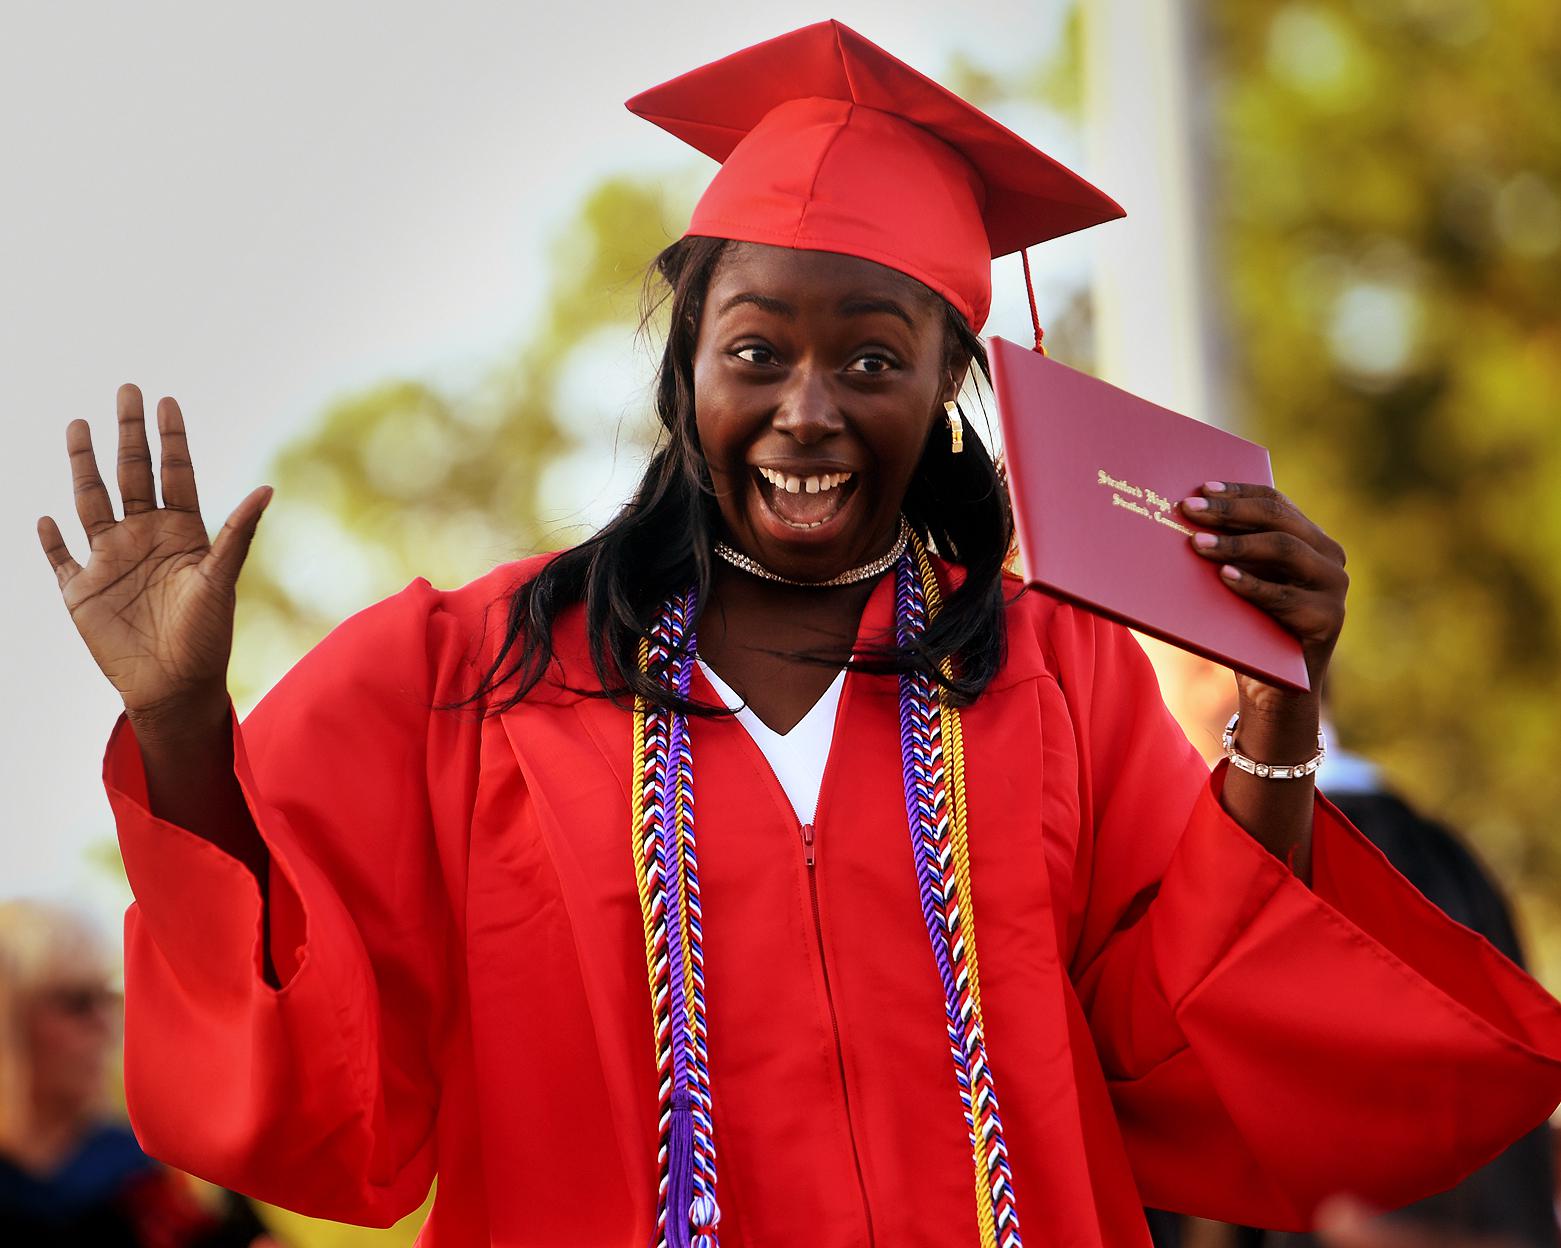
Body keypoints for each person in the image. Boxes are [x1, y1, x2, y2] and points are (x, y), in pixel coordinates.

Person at [34, 20, 1561, 1248]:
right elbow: (312, 1083)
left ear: (951, 382)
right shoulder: (461, 673)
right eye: (755, 349)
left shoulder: (1062, 672)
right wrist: (180, 726)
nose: (807, 411)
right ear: (682, 359)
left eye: (874, 360)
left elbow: (1208, 1043)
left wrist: (1277, 714)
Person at [0, 898, 274, 1247]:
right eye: (77, 1002)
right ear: (10, 1021)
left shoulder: (147, 1171)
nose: (106, 1024)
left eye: (108, 999)